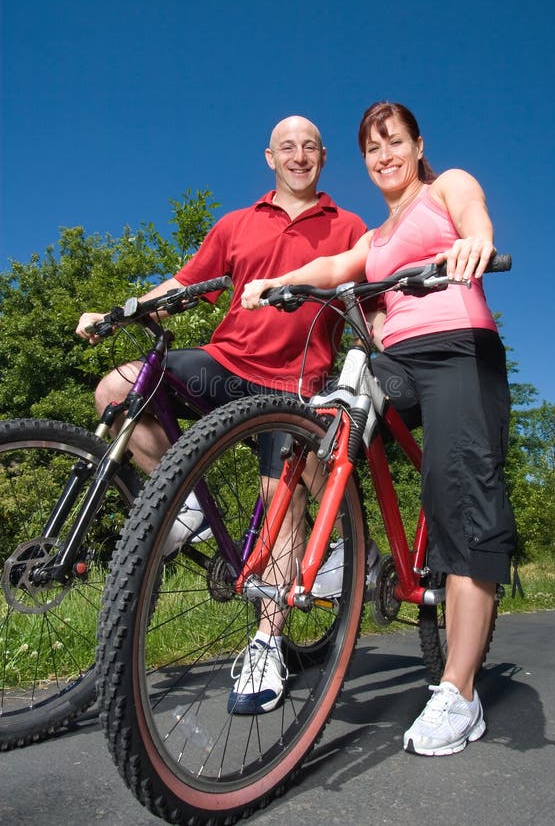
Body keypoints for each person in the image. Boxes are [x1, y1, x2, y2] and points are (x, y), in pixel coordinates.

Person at [241, 101, 517, 755]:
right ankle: (335, 555)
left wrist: (474, 240)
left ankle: (460, 693)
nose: (384, 155)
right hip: (398, 361)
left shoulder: (445, 188)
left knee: (459, 497)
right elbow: (334, 270)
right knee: (319, 433)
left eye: (393, 142)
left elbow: (474, 213)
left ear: (418, 145)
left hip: (459, 350)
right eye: (372, 148)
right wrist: (280, 280)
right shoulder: (378, 237)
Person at [76, 114, 373, 715]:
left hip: (293, 387)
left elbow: (371, 303)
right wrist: (116, 312)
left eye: (310, 147)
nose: (298, 155)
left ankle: (267, 642)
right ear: (269, 157)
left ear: (323, 158)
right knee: (118, 389)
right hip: (224, 363)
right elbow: (182, 284)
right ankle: (184, 504)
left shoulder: (349, 225)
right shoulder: (237, 223)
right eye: (286, 146)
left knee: (279, 504)